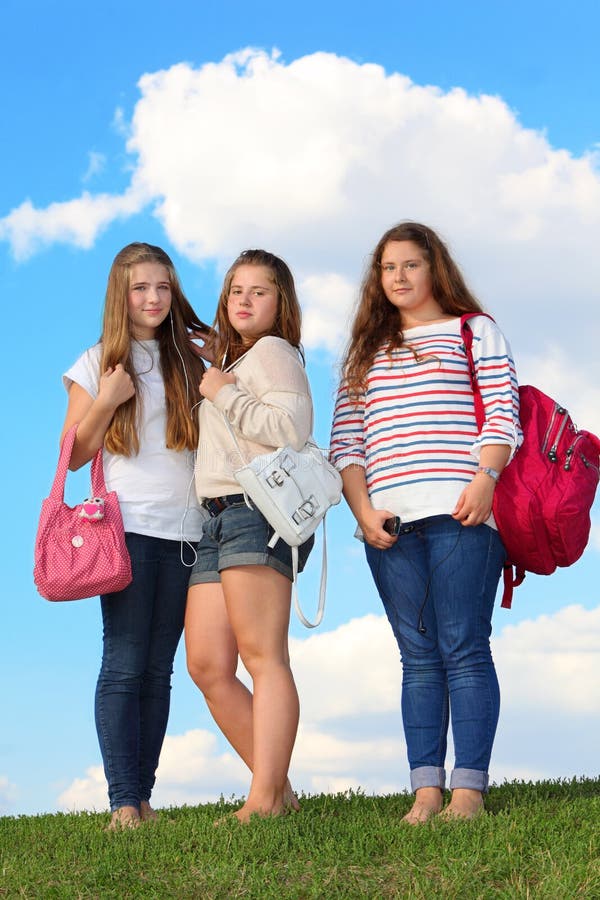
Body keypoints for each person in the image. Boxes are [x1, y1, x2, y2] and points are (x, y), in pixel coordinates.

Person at [330, 222, 522, 823]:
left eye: (411, 265)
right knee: (417, 658)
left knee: (464, 647)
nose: (399, 278)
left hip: (463, 512)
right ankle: (425, 792)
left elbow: (503, 411)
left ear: (435, 268)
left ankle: (468, 791)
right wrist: (362, 514)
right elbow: (347, 441)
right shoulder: (366, 351)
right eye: (389, 268)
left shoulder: (474, 331)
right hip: (389, 524)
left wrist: (485, 479)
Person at [61, 242, 211, 829]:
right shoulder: (98, 360)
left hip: (188, 532)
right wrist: (106, 399)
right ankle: (123, 800)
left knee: (159, 669)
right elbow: (73, 454)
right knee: (124, 663)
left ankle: (143, 797)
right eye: (140, 288)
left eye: (163, 288)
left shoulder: (189, 361)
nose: (153, 298)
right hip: (125, 528)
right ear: (120, 295)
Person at [185, 249, 314, 823]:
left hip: (254, 513)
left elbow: (291, 430)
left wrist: (223, 392)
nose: (244, 300)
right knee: (209, 666)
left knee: (265, 659)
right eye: (236, 290)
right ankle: (277, 791)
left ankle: (262, 802)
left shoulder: (276, 353)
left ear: (280, 302)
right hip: (213, 518)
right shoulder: (234, 361)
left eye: (259, 291)